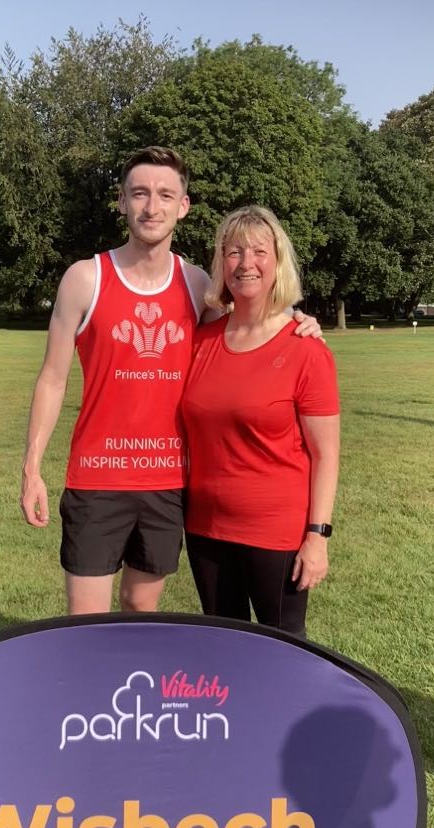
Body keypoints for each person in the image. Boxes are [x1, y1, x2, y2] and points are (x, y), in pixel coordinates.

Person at [20, 147, 322, 615]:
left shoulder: (196, 282)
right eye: (139, 193)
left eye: (165, 195)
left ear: (183, 206)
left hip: (167, 483)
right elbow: (52, 379)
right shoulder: (84, 279)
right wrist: (32, 468)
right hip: (97, 479)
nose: (151, 207)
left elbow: (250, 315)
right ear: (121, 201)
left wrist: (296, 317)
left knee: (142, 611)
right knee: (87, 623)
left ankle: (132, 691)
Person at [180, 205, 340, 638]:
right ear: (221, 263)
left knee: (285, 653)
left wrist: (318, 536)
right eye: (233, 252)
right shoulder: (201, 342)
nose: (245, 263)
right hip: (206, 529)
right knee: (225, 648)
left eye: (258, 251)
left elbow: (325, 456)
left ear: (278, 262)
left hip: (277, 535)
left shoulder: (307, 350)